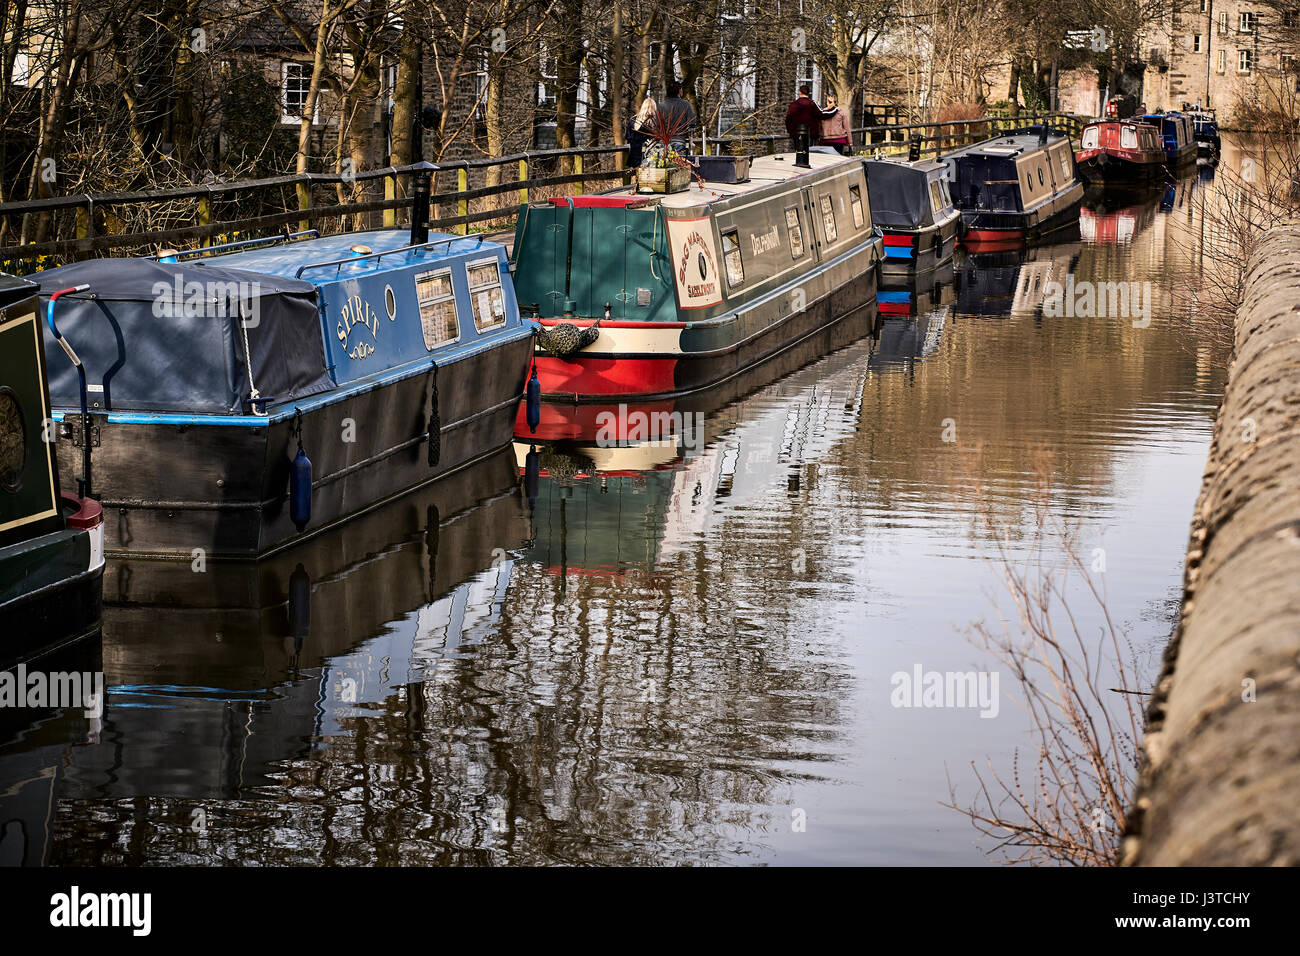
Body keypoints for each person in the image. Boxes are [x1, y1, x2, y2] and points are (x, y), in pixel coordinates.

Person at [657, 81, 696, 147]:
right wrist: (690, 140)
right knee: (679, 157)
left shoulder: (661, 105)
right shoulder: (685, 104)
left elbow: (657, 124)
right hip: (680, 140)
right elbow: (691, 123)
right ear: (680, 91)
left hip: (663, 140)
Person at [785, 84, 821, 150]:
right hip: (810, 133)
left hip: (796, 132)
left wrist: (790, 131)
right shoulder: (812, 104)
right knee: (808, 153)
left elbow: (788, 119)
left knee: (798, 152)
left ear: (800, 92)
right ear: (808, 93)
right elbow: (820, 115)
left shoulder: (794, 105)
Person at [626, 96, 657, 167]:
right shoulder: (653, 122)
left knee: (634, 175)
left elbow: (628, 137)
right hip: (647, 155)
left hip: (633, 154)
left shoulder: (633, 119)